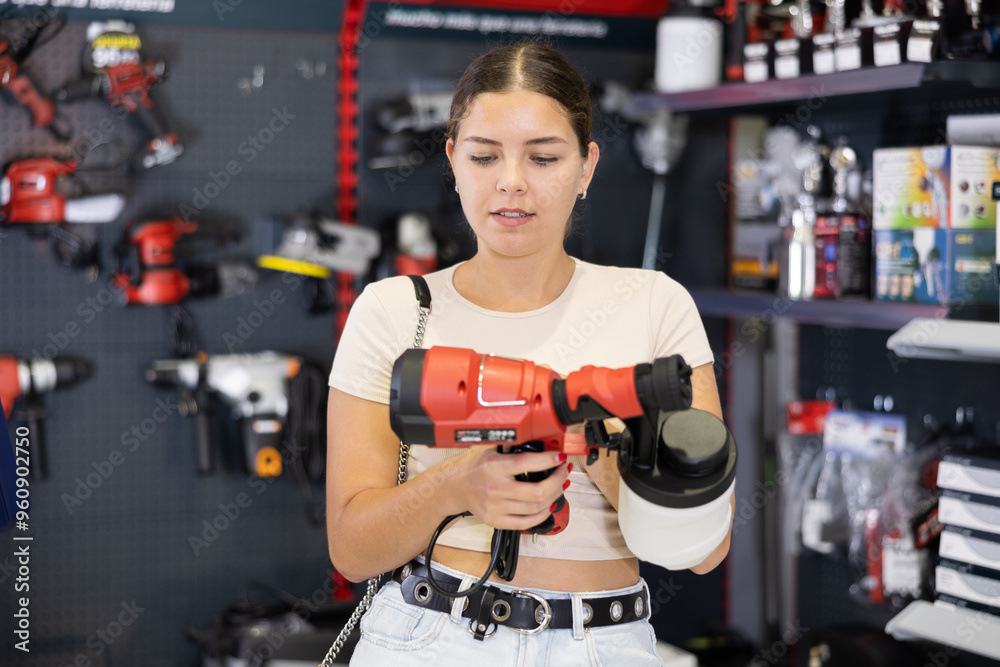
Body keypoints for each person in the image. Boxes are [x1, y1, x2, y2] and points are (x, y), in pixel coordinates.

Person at [326, 40, 734, 666]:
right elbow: (352, 550)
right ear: (452, 162)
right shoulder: (394, 311)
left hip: (604, 644)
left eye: (544, 157)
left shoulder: (653, 303)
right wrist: (458, 485)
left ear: (587, 167)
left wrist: (594, 443)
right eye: (484, 155)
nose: (511, 182)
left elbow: (704, 551)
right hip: (433, 639)